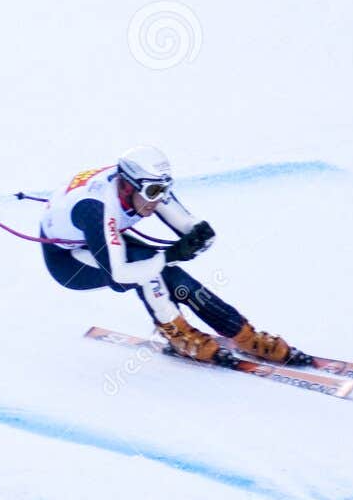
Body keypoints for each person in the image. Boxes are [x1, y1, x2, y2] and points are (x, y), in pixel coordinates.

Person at [39, 145, 295, 363]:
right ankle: (176, 333)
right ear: (127, 188)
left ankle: (244, 334)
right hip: (69, 260)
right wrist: (168, 255)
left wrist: (199, 234)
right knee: (146, 268)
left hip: (97, 234)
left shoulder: (145, 184)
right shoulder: (96, 209)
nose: (158, 199)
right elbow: (119, 278)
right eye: (153, 193)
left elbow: (186, 223)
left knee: (170, 274)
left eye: (164, 190)